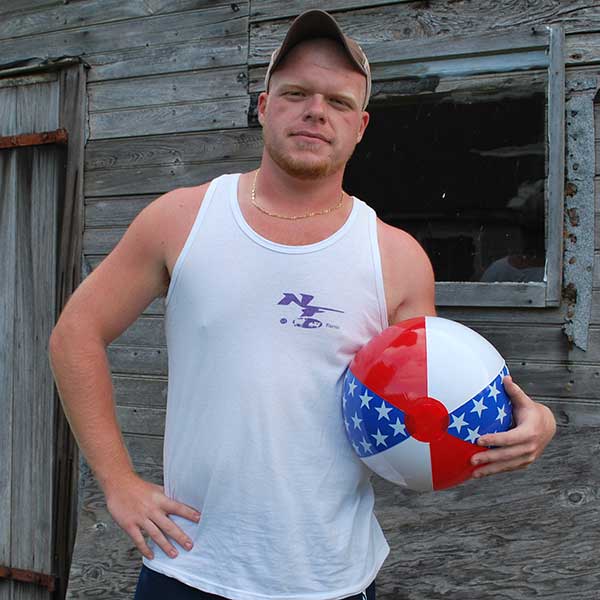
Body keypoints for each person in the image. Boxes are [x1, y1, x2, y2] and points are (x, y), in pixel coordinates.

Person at [48, 9, 557, 600]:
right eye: (296, 93)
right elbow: (75, 333)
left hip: (330, 576)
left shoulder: (396, 256)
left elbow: (430, 401)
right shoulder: (181, 219)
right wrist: (117, 481)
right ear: (265, 107)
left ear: (361, 126)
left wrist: (530, 420)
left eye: (339, 102)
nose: (316, 110)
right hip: (190, 564)